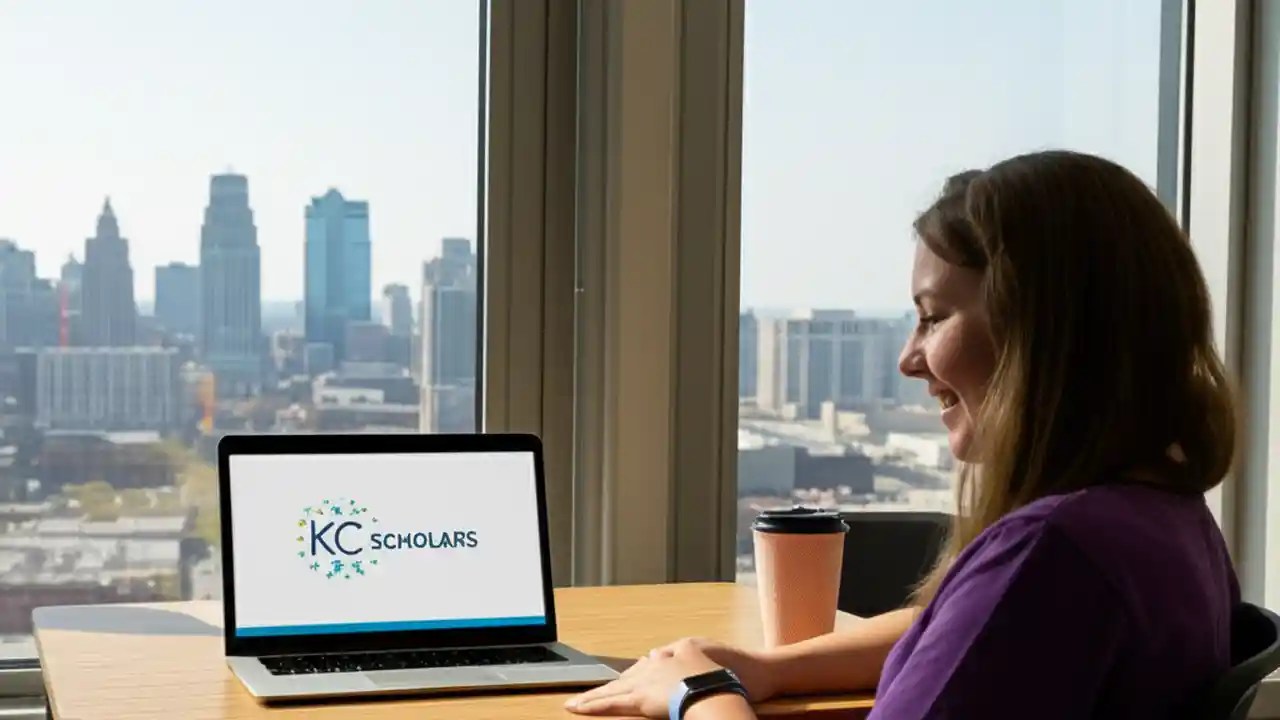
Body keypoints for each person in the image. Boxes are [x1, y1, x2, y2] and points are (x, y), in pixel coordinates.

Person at [564, 150, 1240, 719]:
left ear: (1042, 336)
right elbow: (950, 631)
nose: (909, 360)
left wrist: (701, 694)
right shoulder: (1160, 525)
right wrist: (766, 668)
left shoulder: (1050, 554)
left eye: (934, 317)